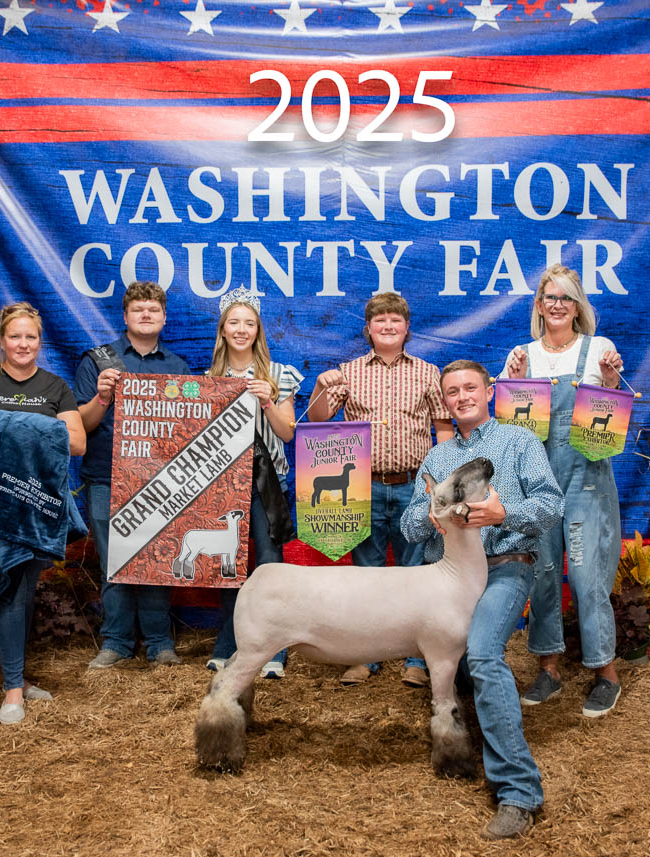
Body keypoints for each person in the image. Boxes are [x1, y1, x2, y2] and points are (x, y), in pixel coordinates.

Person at [402, 360, 563, 840]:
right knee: (466, 661)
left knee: (485, 653)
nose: (461, 397)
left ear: (488, 391)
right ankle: (472, 721)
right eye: (452, 392)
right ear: (445, 402)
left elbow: (552, 507)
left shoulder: (519, 443)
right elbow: (409, 526)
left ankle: (518, 793)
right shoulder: (435, 460)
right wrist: (432, 515)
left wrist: (503, 511)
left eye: (470, 387)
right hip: (448, 578)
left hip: (506, 567)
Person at [306, 293, 454, 687]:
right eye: (380, 320)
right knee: (366, 574)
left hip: (413, 484)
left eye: (395, 320)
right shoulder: (348, 372)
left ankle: (416, 659)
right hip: (361, 486)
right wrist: (321, 387)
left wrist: (436, 481)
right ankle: (364, 656)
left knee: (416, 573)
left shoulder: (427, 373)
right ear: (368, 329)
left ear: (407, 328)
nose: (388, 326)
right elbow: (319, 419)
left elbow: (443, 428)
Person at [0, 302, 87, 724]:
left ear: (39, 343)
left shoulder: (55, 387)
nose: (23, 344)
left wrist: (11, 426)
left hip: (37, 508)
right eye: (15, 336)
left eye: (31, 337)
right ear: (2, 340)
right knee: (9, 590)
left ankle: (18, 676)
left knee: (24, 591)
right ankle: (13, 691)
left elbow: (77, 442)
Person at [500, 264, 625, 718]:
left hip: (586, 477)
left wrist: (610, 383)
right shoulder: (522, 355)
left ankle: (605, 673)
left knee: (589, 575)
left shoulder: (600, 350)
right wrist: (510, 380)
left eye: (566, 297)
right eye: (549, 297)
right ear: (539, 305)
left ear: (578, 306)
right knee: (545, 572)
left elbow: (611, 410)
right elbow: (511, 428)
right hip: (537, 480)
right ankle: (549, 669)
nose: (557, 304)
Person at [73, 282, 192, 670]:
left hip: (161, 481)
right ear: (125, 316)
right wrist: (101, 397)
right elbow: (82, 427)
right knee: (114, 559)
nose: (145, 315)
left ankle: (159, 642)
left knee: (159, 558)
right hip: (107, 476)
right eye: (138, 309)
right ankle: (117, 641)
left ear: (164, 318)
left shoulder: (177, 369)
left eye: (153, 310)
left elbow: (190, 429)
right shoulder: (97, 362)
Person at [207, 287, 303, 679]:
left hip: (268, 483)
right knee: (227, 563)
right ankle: (228, 643)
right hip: (224, 483)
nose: (242, 329)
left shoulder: (277, 375)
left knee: (268, 564)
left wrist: (268, 401)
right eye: (235, 322)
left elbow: (288, 434)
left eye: (249, 323)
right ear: (223, 330)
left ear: (258, 329)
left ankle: (273, 649)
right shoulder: (209, 379)